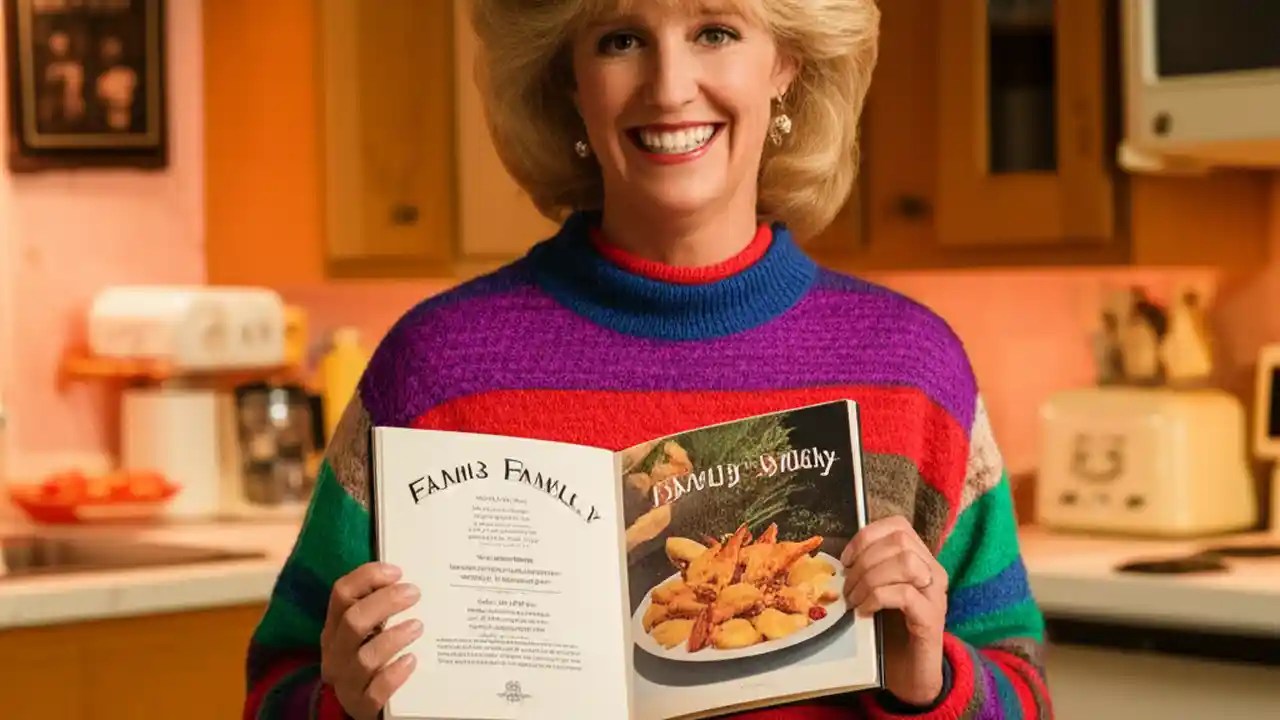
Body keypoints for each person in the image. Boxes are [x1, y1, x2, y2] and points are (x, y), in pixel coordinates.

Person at [243, 1, 1051, 718]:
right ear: (569, 78)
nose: (669, 88)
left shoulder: (911, 369)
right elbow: (274, 689)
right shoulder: (437, 369)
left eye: (716, 32)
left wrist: (930, 682)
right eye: (622, 38)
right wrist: (337, 703)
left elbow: (1024, 692)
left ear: (786, 62)